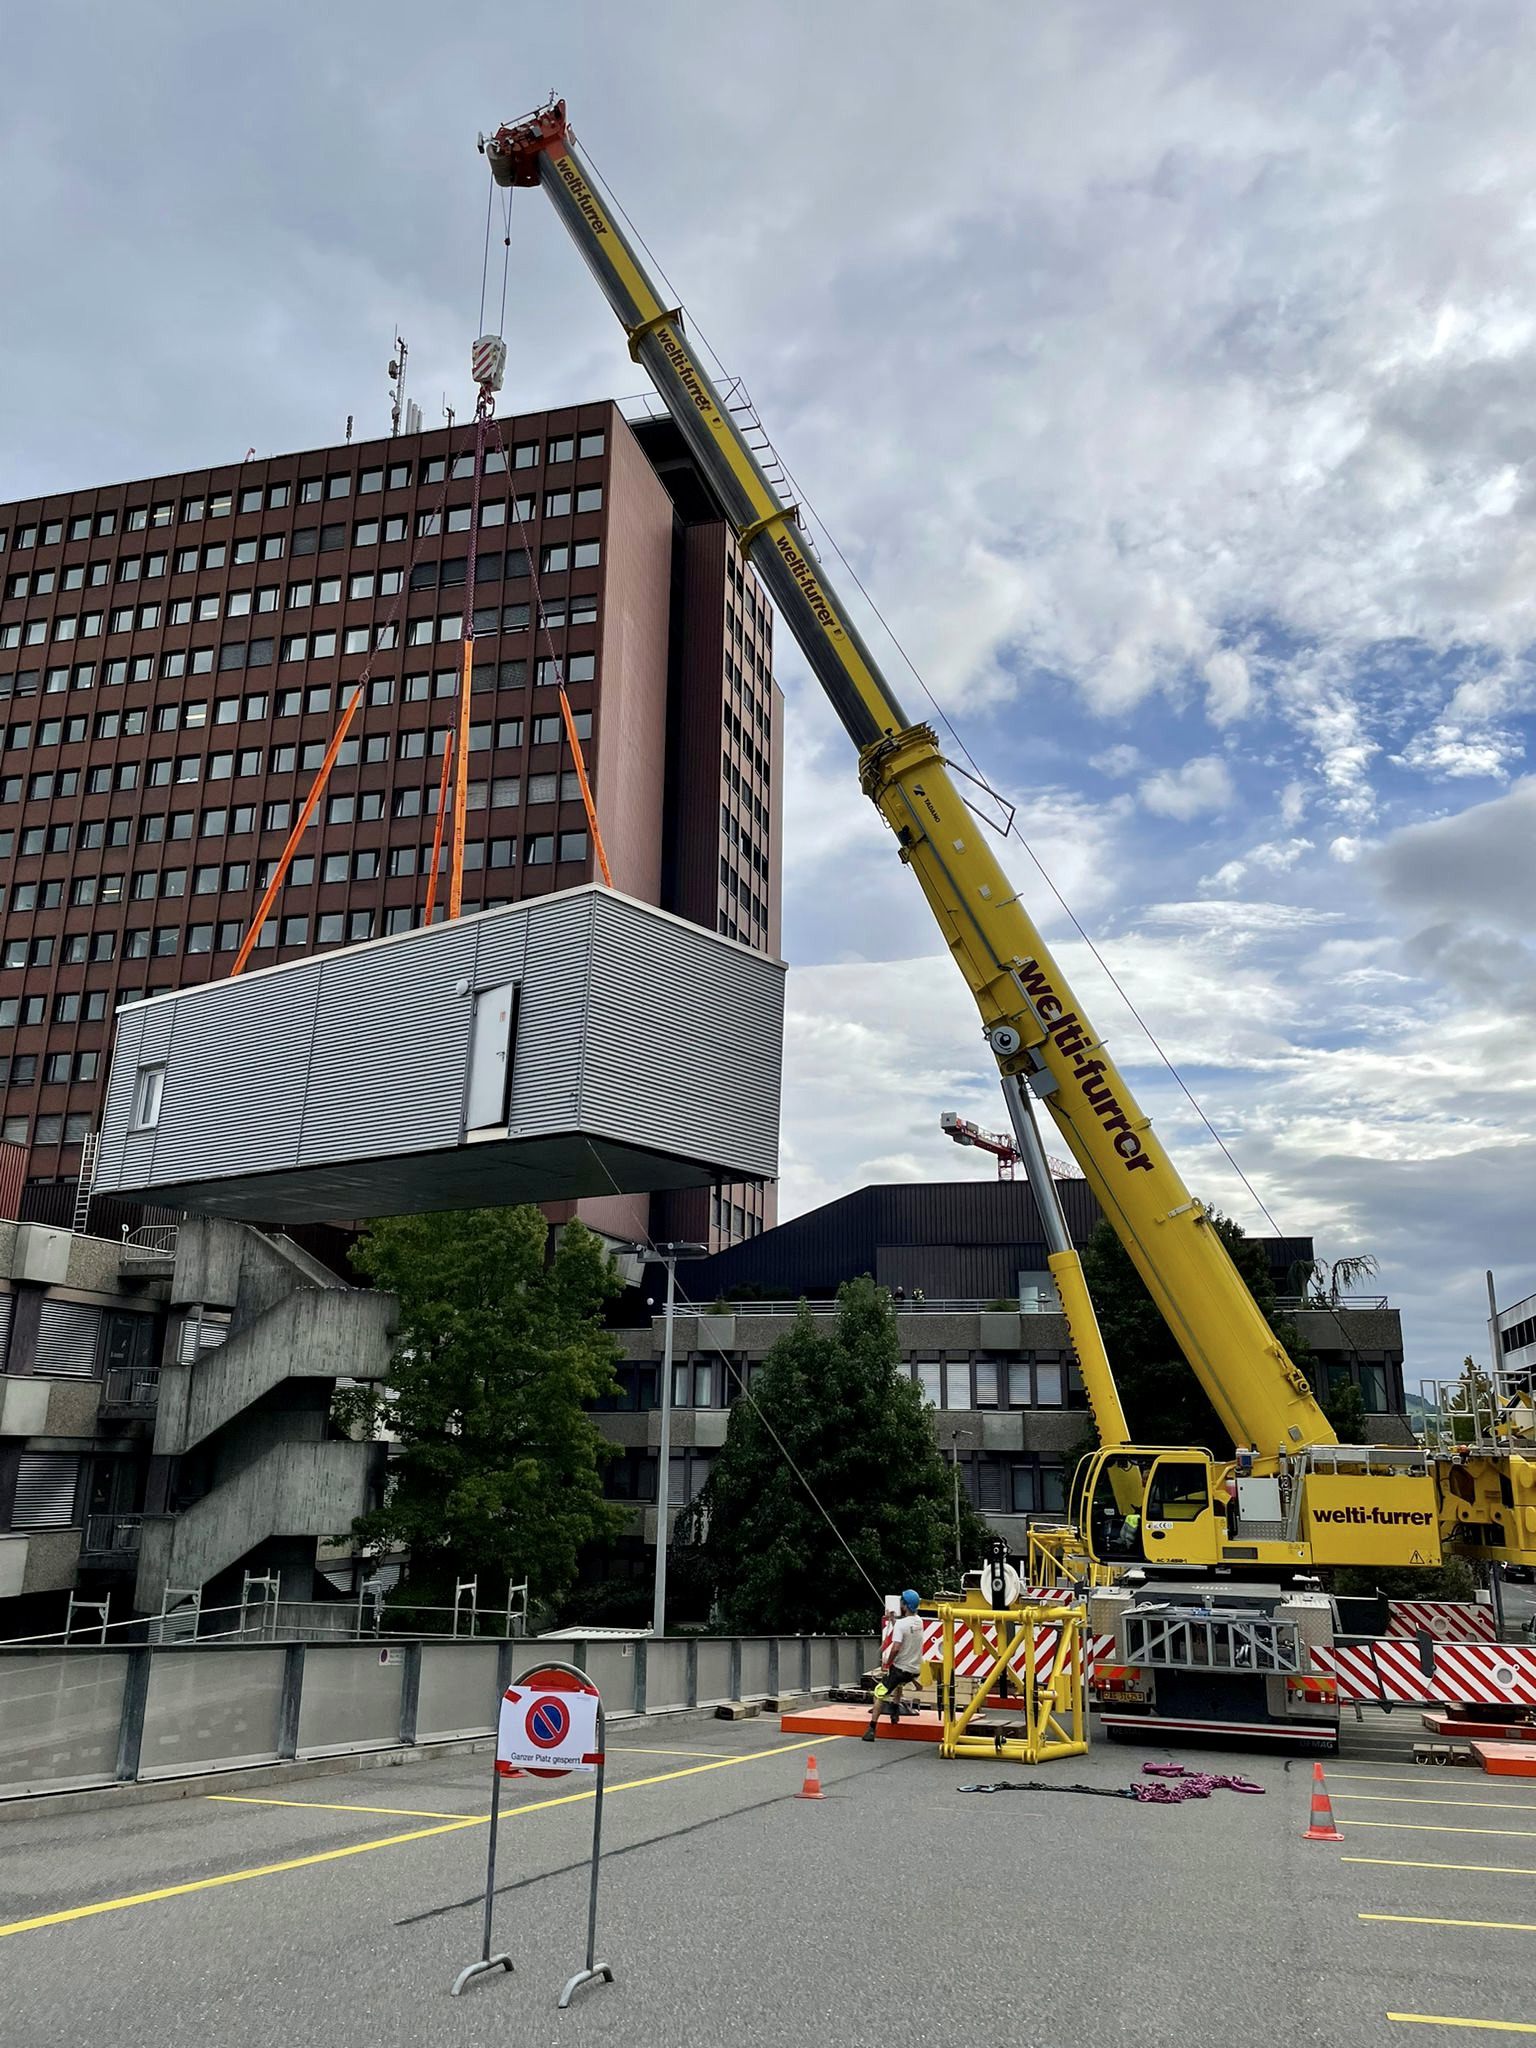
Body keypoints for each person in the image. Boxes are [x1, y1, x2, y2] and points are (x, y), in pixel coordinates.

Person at [863, 1590, 923, 1741]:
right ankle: (895, 1711)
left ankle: (871, 1728)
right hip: (914, 1669)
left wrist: (887, 1662)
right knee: (899, 1682)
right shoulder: (919, 1622)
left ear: (904, 1605)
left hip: (901, 1669)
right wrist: (894, 1621)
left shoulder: (902, 1625)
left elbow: (896, 1647)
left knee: (879, 1692)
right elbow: (905, 1628)